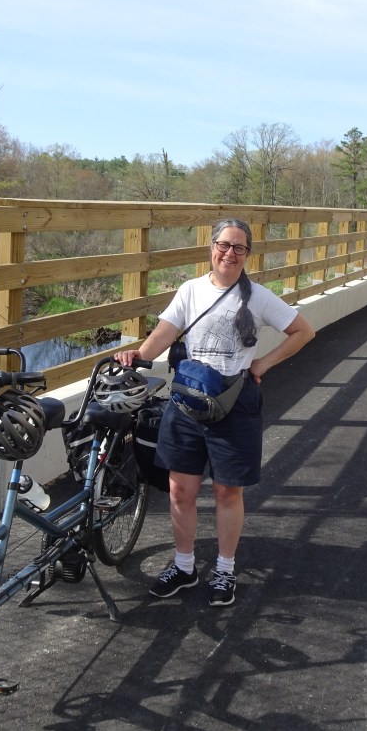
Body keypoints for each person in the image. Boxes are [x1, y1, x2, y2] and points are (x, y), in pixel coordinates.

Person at [114, 218, 315, 607]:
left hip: (234, 401)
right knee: (180, 488)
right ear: (211, 247)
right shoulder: (191, 290)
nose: (230, 253)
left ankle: (224, 568)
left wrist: (263, 364)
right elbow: (164, 334)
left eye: (239, 248)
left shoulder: (256, 296)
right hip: (189, 398)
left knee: (227, 490)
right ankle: (184, 565)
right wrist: (137, 355)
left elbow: (303, 331)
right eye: (224, 245)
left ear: (247, 254)